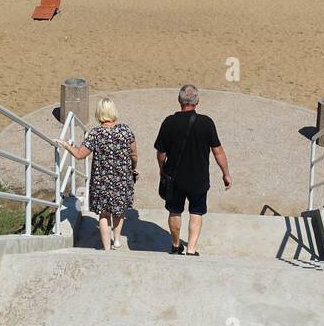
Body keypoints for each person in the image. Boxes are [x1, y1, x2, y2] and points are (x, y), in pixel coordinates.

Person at [154, 85, 231, 256]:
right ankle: (191, 249)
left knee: (175, 210)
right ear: (197, 101)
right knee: (196, 211)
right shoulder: (206, 123)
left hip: (174, 178)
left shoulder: (169, 122)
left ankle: (175, 245)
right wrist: (226, 173)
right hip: (199, 177)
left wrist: (162, 170)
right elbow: (218, 151)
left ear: (179, 100)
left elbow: (161, 153)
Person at [55, 97, 137, 251]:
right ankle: (117, 240)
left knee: (104, 215)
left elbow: (80, 154)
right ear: (113, 111)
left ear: (99, 113)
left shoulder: (95, 134)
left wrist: (66, 145)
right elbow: (134, 154)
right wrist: (134, 168)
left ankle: (106, 248)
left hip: (101, 181)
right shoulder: (126, 130)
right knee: (119, 211)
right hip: (122, 178)